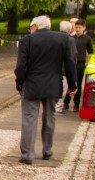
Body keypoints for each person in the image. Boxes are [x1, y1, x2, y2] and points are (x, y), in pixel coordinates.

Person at [15, 15, 76, 164]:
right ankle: (47, 151)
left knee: (29, 119)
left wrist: (19, 81)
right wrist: (73, 84)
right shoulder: (64, 39)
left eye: (31, 27)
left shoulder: (27, 41)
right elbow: (69, 63)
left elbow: (21, 66)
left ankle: (27, 155)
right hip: (53, 84)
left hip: (32, 84)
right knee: (50, 117)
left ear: (35, 27)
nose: (30, 30)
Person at [63, 19, 94, 112]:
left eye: (79, 27)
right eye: (76, 27)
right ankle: (66, 102)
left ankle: (76, 103)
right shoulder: (71, 38)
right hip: (70, 64)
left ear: (84, 28)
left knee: (79, 85)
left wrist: (87, 63)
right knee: (69, 83)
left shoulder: (87, 39)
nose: (77, 29)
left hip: (80, 64)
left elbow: (90, 52)